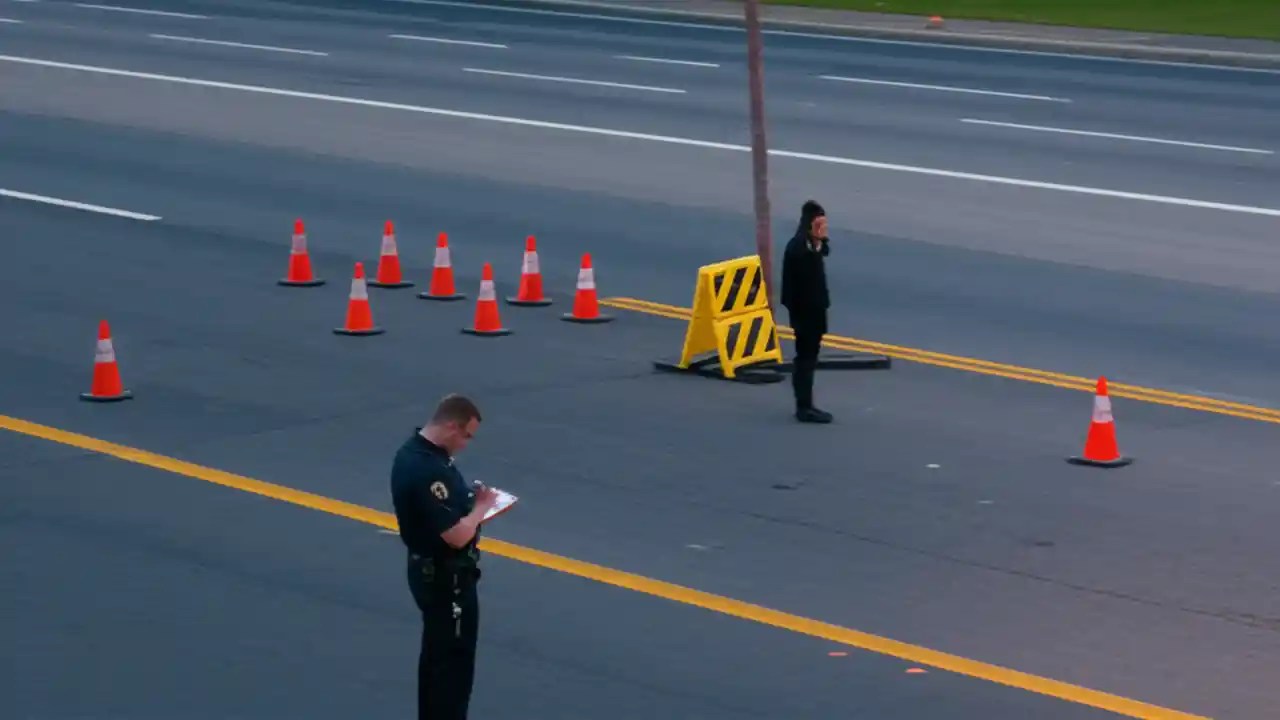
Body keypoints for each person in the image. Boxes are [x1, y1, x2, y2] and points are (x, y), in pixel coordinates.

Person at [390, 393, 499, 720]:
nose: (466, 444)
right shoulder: (427, 470)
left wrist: (470, 501)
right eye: (466, 435)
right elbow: (455, 535)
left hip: (429, 571)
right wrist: (481, 509)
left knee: (437, 660)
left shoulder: (417, 453)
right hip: (446, 580)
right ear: (451, 426)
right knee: (452, 670)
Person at [780, 200, 833, 424]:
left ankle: (808, 404)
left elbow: (824, 251)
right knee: (805, 359)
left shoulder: (814, 245)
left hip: (816, 311)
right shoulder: (798, 248)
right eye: (819, 224)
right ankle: (803, 407)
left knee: (810, 358)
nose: (824, 229)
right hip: (804, 314)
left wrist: (820, 240)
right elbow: (795, 285)